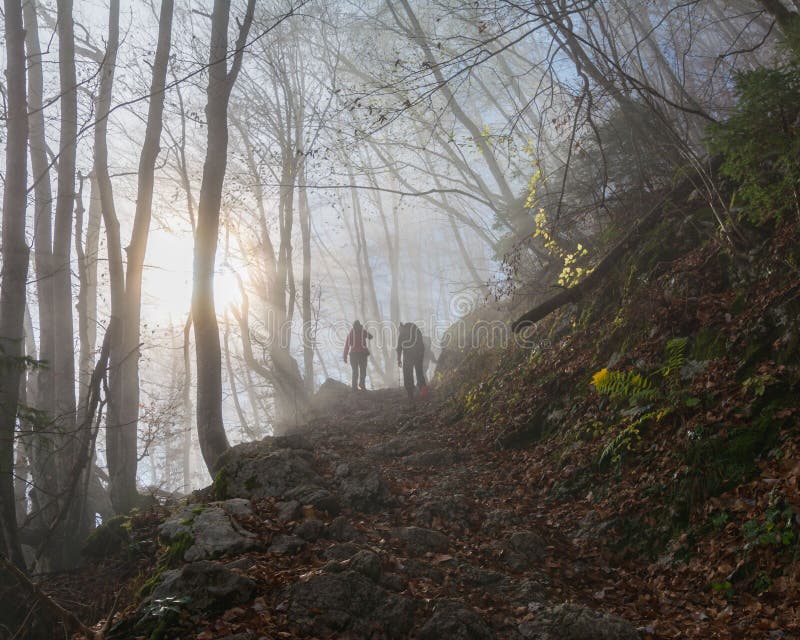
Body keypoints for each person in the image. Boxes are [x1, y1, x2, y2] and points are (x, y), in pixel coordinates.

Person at [396, 322, 426, 399]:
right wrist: (421, 354)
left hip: (408, 356)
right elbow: (421, 344)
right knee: (419, 372)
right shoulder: (415, 330)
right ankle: (423, 390)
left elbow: (399, 348)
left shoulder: (402, 334)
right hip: (419, 354)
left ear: (401, 328)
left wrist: (399, 359)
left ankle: (410, 393)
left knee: (407, 373)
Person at [343, 320, 372, 390]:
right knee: (362, 371)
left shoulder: (351, 334)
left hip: (353, 355)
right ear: (359, 325)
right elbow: (370, 337)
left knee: (355, 371)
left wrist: (345, 356)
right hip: (362, 354)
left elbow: (347, 345)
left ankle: (354, 387)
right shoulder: (362, 331)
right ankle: (361, 385)